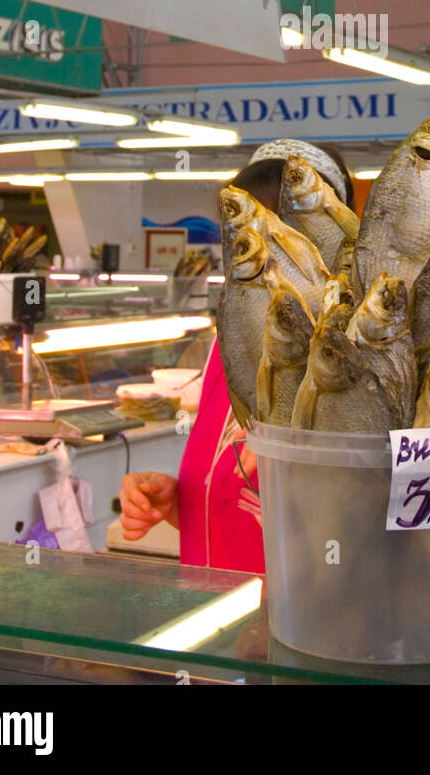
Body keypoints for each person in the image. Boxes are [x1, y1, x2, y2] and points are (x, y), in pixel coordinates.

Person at [119, 140, 353, 571]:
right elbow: (234, 504)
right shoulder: (230, 345)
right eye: (246, 238)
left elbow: (367, 545)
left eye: (281, 235)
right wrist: (176, 501)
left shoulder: (348, 368)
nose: (262, 258)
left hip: (298, 629)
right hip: (217, 620)